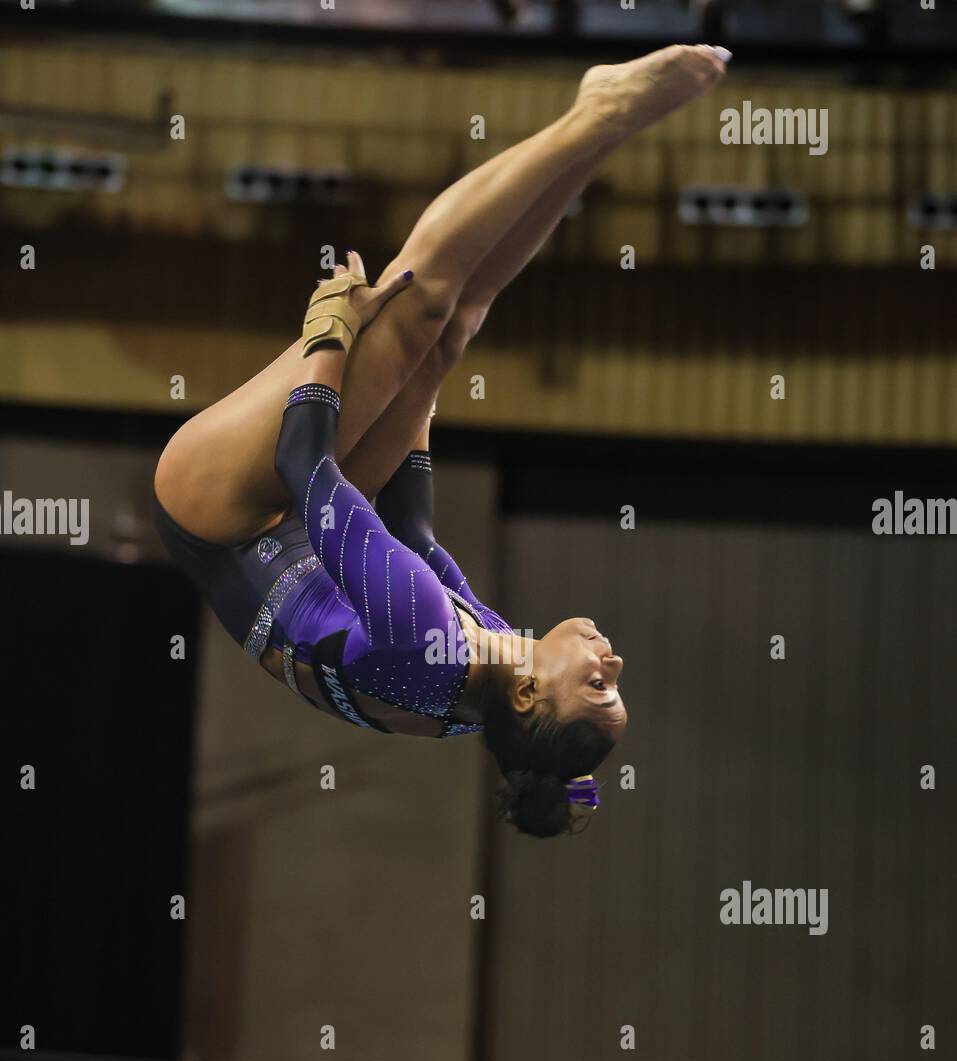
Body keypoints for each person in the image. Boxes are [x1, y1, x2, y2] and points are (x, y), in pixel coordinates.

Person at [153, 45, 729, 835]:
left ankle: (598, 113)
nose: (613, 665)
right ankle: (601, 134)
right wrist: (421, 382)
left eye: (599, 687)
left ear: (529, 696)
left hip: (222, 512)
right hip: (295, 525)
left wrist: (329, 328)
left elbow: (305, 464)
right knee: (449, 329)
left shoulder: (428, 649)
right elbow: (412, 533)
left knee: (416, 306)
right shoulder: (488, 675)